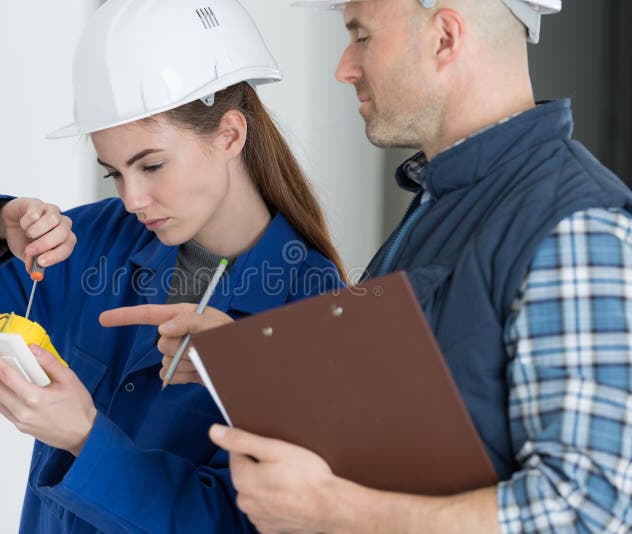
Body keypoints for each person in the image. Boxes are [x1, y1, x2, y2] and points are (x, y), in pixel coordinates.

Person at [103, 0, 632, 532]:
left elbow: (589, 511)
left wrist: (331, 509)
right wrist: (251, 366)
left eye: (361, 36)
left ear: (445, 38)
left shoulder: (572, 226)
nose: (344, 68)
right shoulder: (441, 209)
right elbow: (411, 429)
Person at [0, 0, 345, 532]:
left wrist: (83, 436)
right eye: (114, 174)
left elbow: (240, 522)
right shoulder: (98, 243)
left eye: (152, 165)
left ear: (230, 135)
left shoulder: (311, 305)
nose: (132, 199)